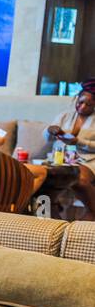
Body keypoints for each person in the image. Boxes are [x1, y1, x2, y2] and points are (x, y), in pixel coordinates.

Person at [42, 84, 95, 216]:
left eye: (88, 104)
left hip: (86, 160)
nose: (82, 107)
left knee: (79, 179)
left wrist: (78, 142)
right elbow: (47, 138)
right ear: (77, 99)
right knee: (40, 177)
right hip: (59, 158)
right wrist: (50, 130)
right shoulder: (64, 115)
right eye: (80, 102)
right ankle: (52, 212)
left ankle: (92, 211)